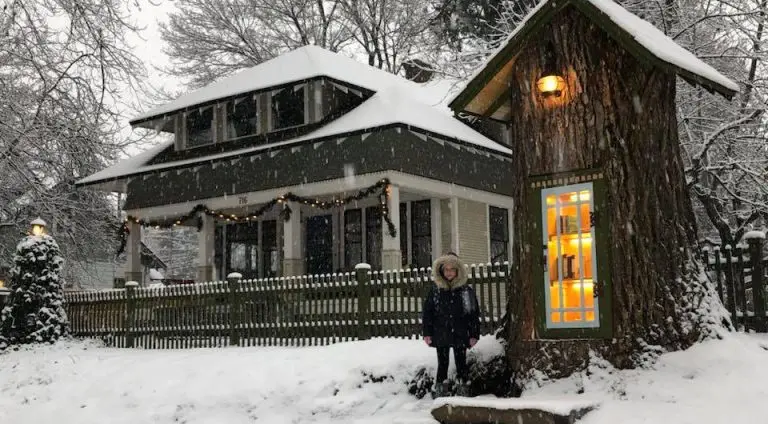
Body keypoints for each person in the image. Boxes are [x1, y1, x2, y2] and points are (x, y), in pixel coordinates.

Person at [422, 252, 480, 398]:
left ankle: (463, 389)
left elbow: (473, 314)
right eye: (446, 269)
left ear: (458, 270)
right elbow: (428, 313)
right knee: (442, 363)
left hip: (460, 333)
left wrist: (473, 334)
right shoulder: (436, 291)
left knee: (461, 363)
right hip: (441, 333)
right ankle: (441, 390)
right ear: (441, 271)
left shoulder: (465, 291)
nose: (449, 273)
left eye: (452, 269)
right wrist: (427, 333)